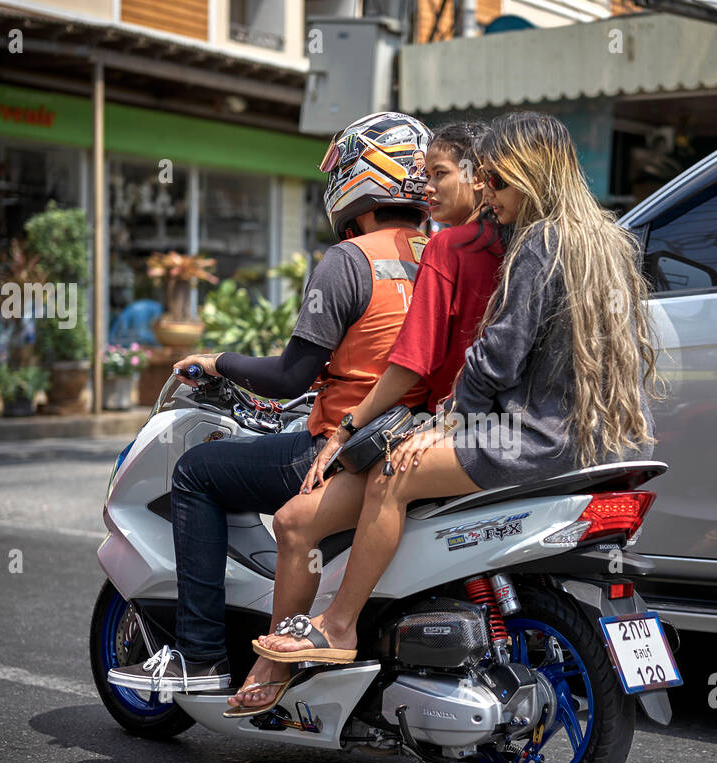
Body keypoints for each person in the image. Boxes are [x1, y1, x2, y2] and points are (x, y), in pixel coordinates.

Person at [251, 111, 664, 670]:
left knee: (394, 474)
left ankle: (339, 624)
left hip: (531, 439)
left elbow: (497, 355)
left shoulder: (538, 242)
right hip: (595, 440)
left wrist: (448, 422)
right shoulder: (608, 240)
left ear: (532, 174)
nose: (488, 194)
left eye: (496, 180)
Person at [108, 111, 434, 694]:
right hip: (419, 437)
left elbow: (288, 376)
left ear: (361, 176)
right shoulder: (442, 255)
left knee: (196, 474)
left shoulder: (349, 260)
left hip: (344, 442)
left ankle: (201, 656)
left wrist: (219, 361)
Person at [225, 122, 504, 714]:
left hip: (447, 427)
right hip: (490, 423)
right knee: (310, 514)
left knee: (293, 517)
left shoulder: (446, 250)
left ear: (480, 179)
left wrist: (350, 430)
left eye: (439, 175)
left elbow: (412, 363)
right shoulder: (516, 245)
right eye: (423, 175)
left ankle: (308, 644)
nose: (427, 189)